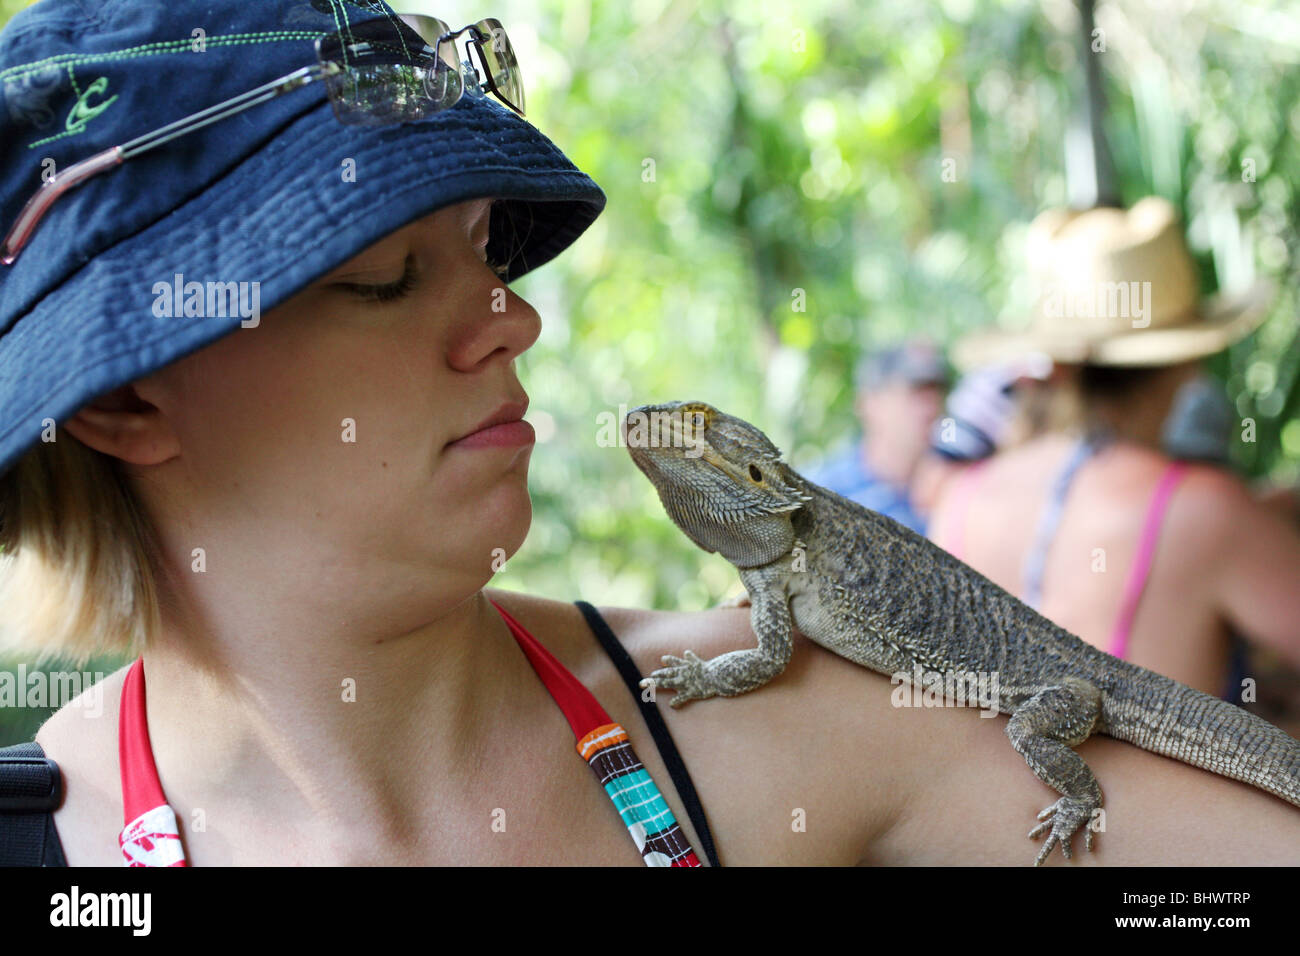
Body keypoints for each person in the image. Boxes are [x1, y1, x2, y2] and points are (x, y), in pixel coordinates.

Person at [1, 2, 1296, 868]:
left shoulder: (823, 721)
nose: (517, 325)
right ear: (123, 397)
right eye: (387, 276)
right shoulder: (41, 841)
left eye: (489, 252)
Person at [927, 198, 1300, 704]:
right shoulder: (1203, 510)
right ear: (1186, 362)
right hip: (1155, 787)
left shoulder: (960, 500)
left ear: (1054, 366)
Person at [807, 342, 948, 533]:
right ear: (869, 403)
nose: (931, 407)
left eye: (936, 392)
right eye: (916, 392)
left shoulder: (954, 489)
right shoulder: (822, 496)